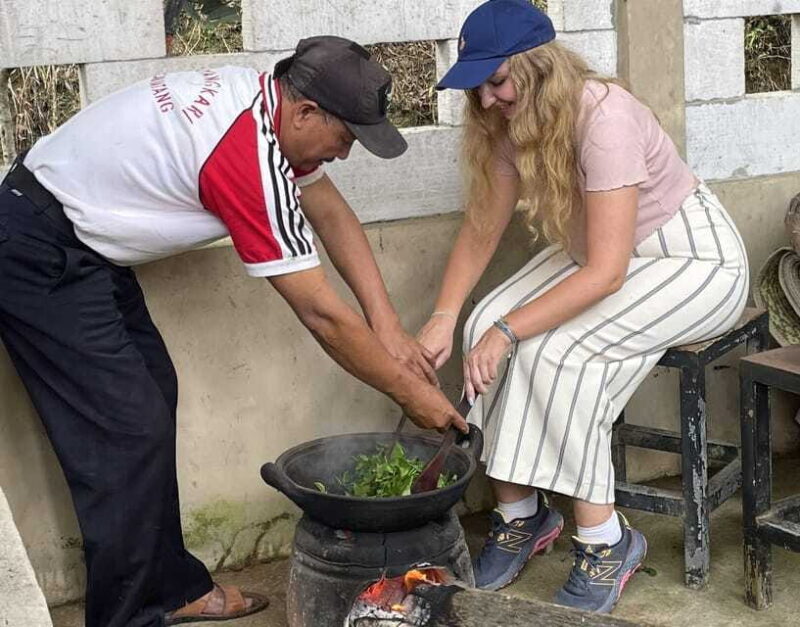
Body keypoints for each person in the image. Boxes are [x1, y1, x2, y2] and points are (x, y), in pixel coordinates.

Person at [0, 36, 468, 627]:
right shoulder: (246, 157)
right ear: (305, 113)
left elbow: (328, 209)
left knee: (151, 396)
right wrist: (411, 393)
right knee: (125, 431)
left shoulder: (267, 105)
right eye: (346, 138)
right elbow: (321, 314)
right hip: (37, 250)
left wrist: (388, 328)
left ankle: (172, 588)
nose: (345, 155)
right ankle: (126, 618)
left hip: (83, 245)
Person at [418, 0, 748, 614]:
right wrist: (445, 315)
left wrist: (511, 333)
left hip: (690, 260)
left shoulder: (605, 116)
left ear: (540, 68)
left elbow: (606, 272)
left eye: (497, 82)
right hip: (600, 248)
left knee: (564, 352)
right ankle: (521, 516)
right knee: (483, 324)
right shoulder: (507, 119)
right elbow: (483, 225)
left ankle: (606, 543)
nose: (487, 101)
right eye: (477, 88)